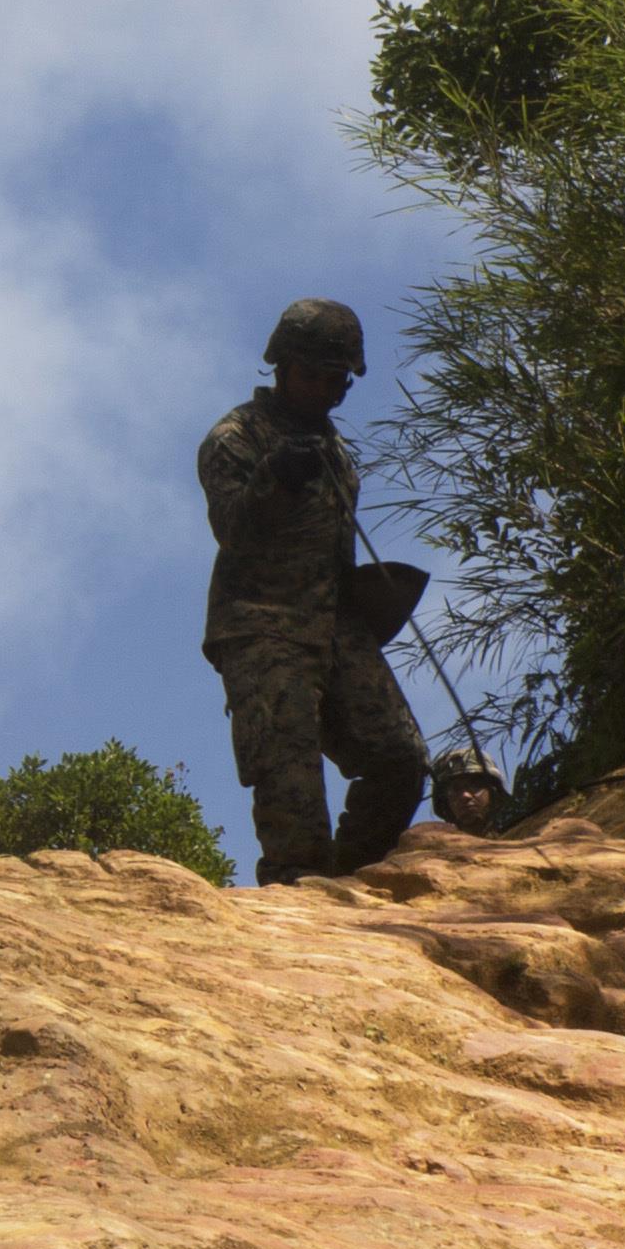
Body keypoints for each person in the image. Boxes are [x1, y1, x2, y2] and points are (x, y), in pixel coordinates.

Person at [197, 297, 432, 883]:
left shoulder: (336, 453)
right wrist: (274, 479)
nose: (328, 391)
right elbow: (232, 530)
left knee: (401, 763)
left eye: (340, 381)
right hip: (262, 630)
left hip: (335, 628)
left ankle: (352, 883)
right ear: (281, 367)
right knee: (290, 788)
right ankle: (300, 899)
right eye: (315, 376)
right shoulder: (235, 437)